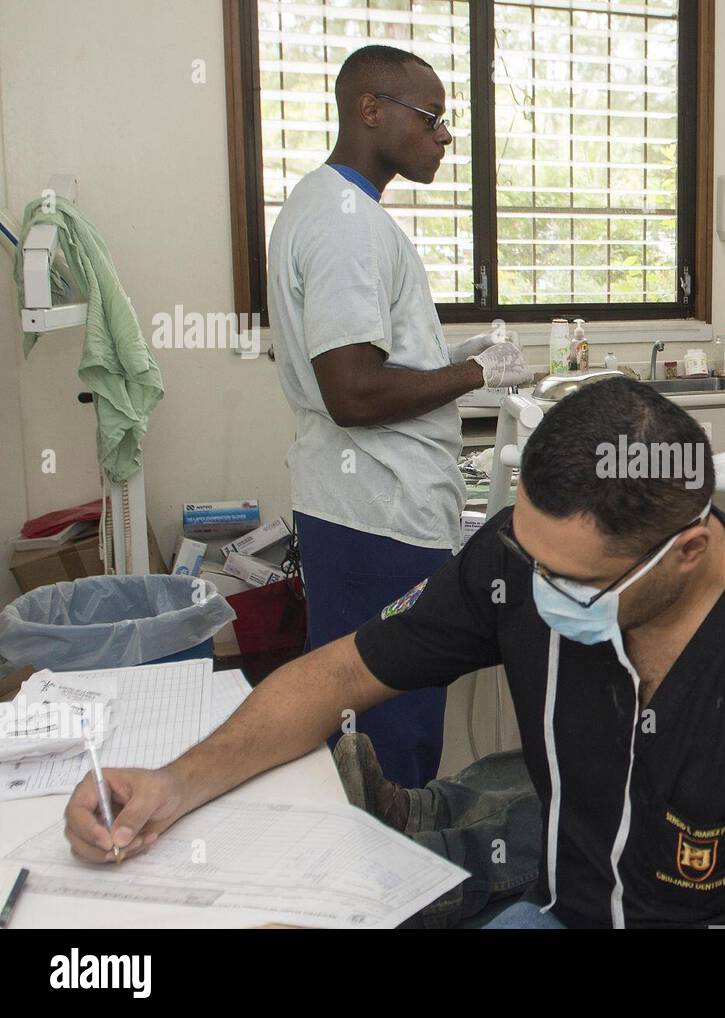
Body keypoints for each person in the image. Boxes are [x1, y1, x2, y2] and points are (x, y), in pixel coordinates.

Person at [64, 378, 725, 929]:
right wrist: (174, 783)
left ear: (685, 550)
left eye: (569, 576)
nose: (533, 582)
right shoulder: (515, 561)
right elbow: (339, 674)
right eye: (527, 552)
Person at [267, 45, 531, 786]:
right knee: (389, 743)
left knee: (370, 725)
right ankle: (394, 893)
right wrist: (475, 373)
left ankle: (378, 880)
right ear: (370, 110)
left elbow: (365, 358)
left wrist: (451, 351)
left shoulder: (330, 205)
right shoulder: (349, 226)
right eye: (433, 118)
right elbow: (352, 394)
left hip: (361, 512)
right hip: (375, 519)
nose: (445, 137)